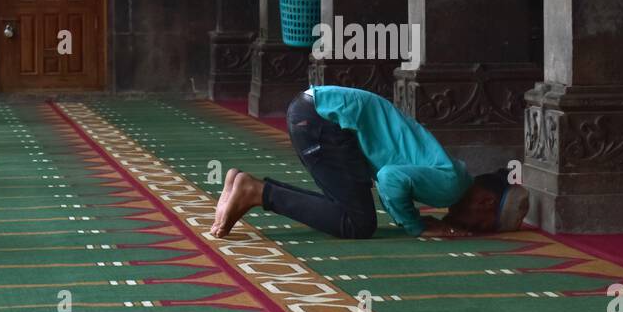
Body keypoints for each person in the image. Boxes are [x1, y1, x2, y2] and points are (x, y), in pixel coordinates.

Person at [210, 85, 531, 240]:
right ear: (487, 202)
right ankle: (255, 192)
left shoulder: (452, 175)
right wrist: (416, 227)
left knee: (347, 208)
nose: (474, 230)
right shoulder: (451, 186)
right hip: (325, 120)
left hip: (317, 112)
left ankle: (244, 185)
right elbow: (391, 179)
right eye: (485, 226)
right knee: (358, 223)